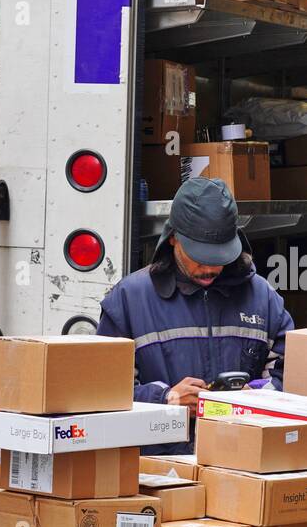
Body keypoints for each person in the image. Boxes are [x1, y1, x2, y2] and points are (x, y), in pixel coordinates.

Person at [97, 176, 293, 453]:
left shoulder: (263, 297)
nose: (211, 267)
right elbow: (100, 394)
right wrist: (166, 399)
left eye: (220, 257)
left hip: (240, 466)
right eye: (200, 256)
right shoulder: (129, 299)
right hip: (157, 474)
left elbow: (292, 377)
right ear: (174, 237)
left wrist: (257, 398)